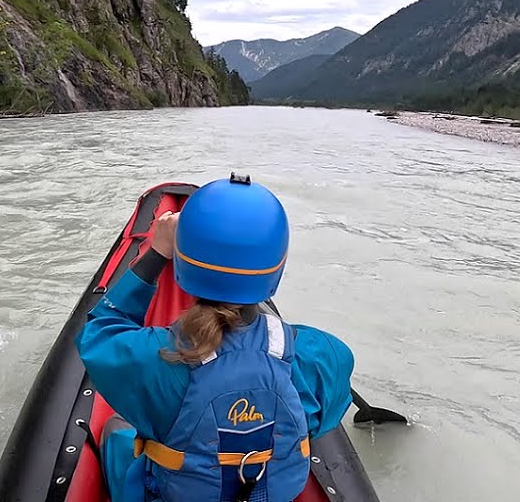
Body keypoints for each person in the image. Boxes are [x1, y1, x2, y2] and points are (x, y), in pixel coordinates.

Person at [75, 174, 355, 502]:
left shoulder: (155, 358)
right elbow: (323, 418)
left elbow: (99, 333)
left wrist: (157, 253)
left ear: (184, 263)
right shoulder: (322, 354)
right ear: (274, 269)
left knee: (115, 429)